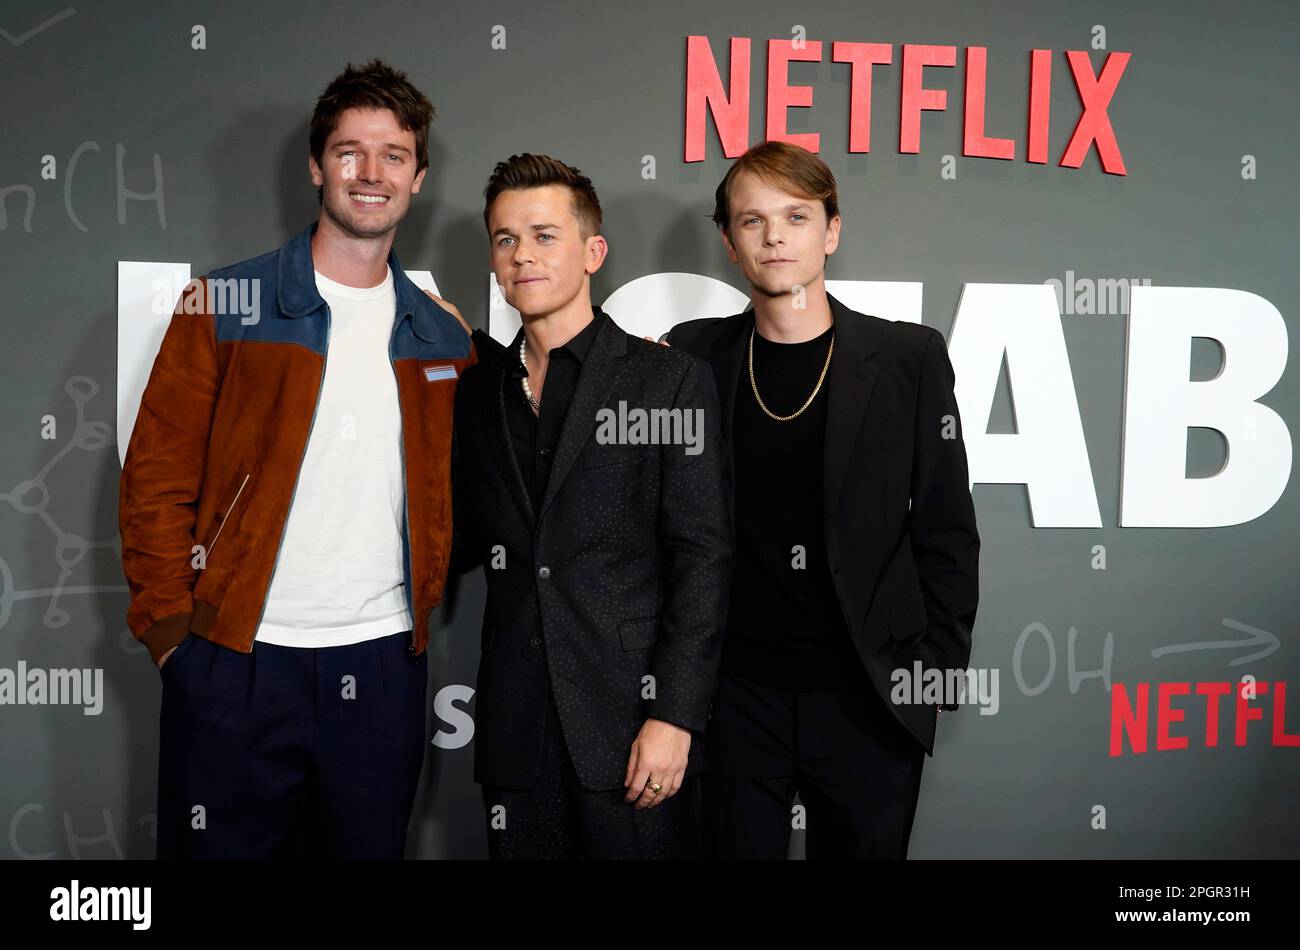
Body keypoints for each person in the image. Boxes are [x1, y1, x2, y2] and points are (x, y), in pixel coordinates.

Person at [119, 59, 479, 858]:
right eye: (350, 151)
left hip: (382, 668)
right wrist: (176, 637)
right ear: (317, 166)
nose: (371, 172)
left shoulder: (441, 336)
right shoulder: (224, 306)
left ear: (419, 176)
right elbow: (153, 482)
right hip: (235, 663)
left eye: (394, 154)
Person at [664, 140, 980, 859]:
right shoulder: (692, 356)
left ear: (830, 232)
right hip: (735, 697)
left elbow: (947, 531)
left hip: (867, 697)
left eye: (797, 216)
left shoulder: (908, 358)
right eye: (753, 220)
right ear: (729, 242)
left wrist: (931, 669)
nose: (775, 236)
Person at [450, 153, 732, 858]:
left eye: (545, 235)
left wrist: (673, 715)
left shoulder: (667, 381)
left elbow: (704, 558)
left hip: (632, 731)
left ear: (592, 252)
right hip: (517, 736)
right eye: (506, 239)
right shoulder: (478, 395)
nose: (523, 255)